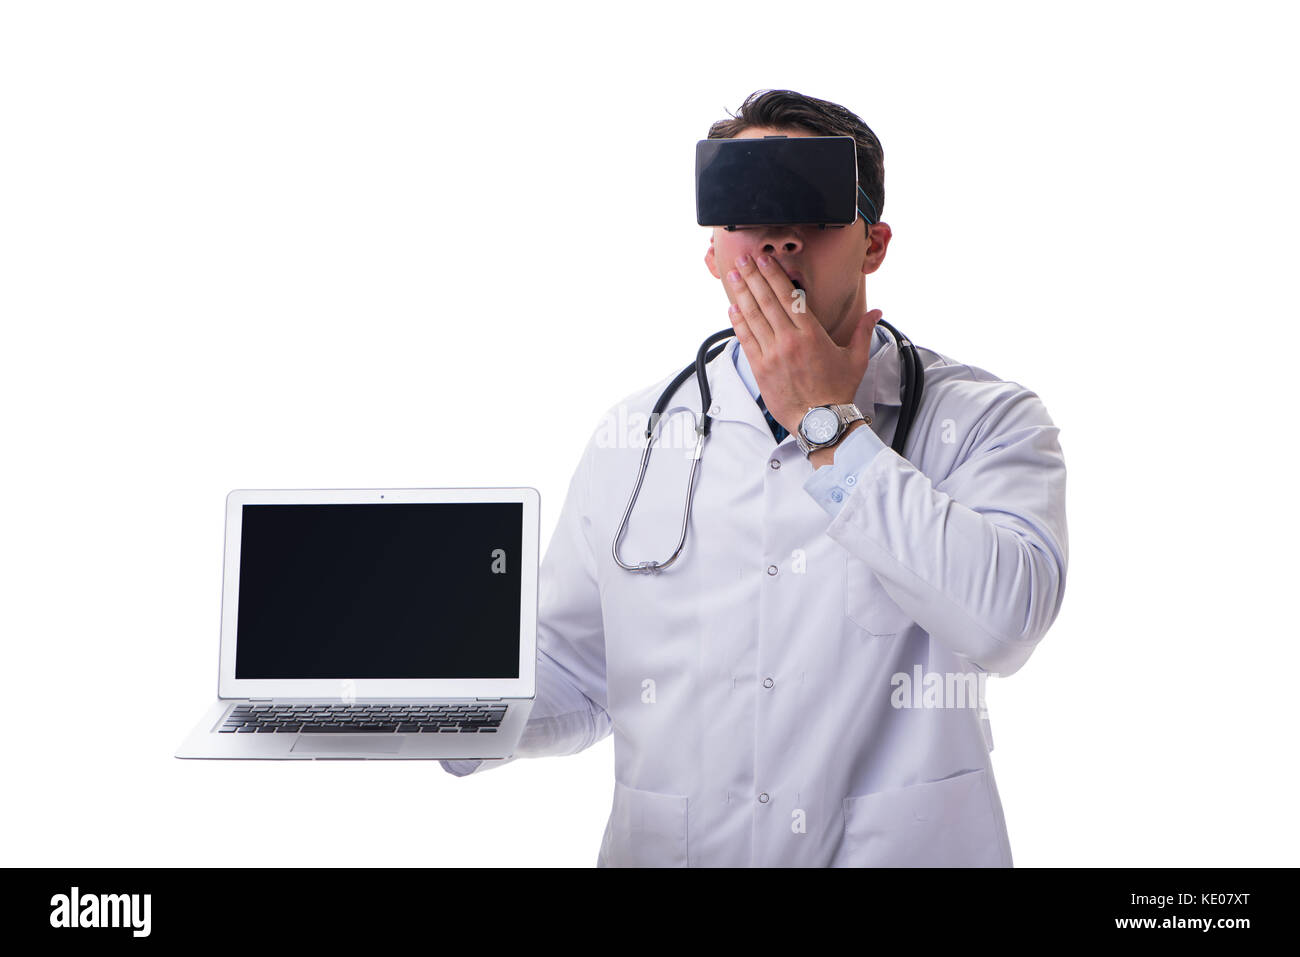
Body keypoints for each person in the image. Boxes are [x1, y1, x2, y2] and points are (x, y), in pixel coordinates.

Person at [442, 89, 1069, 868]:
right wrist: (435, 703)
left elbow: (1004, 623)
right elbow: (574, 670)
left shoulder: (984, 419)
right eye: (746, 211)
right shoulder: (634, 438)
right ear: (713, 253)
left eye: (811, 207)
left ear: (872, 244)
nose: (778, 240)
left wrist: (827, 423)